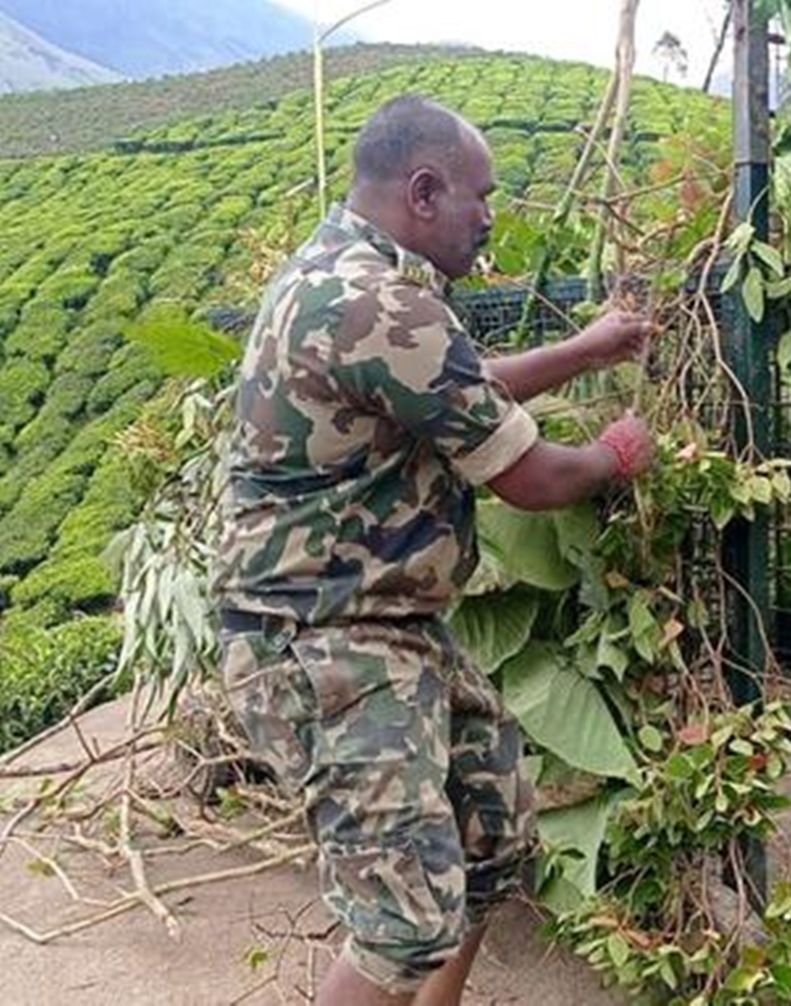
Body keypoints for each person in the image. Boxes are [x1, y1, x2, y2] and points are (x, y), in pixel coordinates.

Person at [212, 94, 656, 1006]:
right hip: (319, 641)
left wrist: (586, 348)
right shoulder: (376, 301)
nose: (489, 216)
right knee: (400, 925)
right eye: (480, 196)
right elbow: (529, 478)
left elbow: (450, 385)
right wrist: (617, 455)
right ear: (423, 190)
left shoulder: (350, 276)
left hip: (385, 626)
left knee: (489, 843)